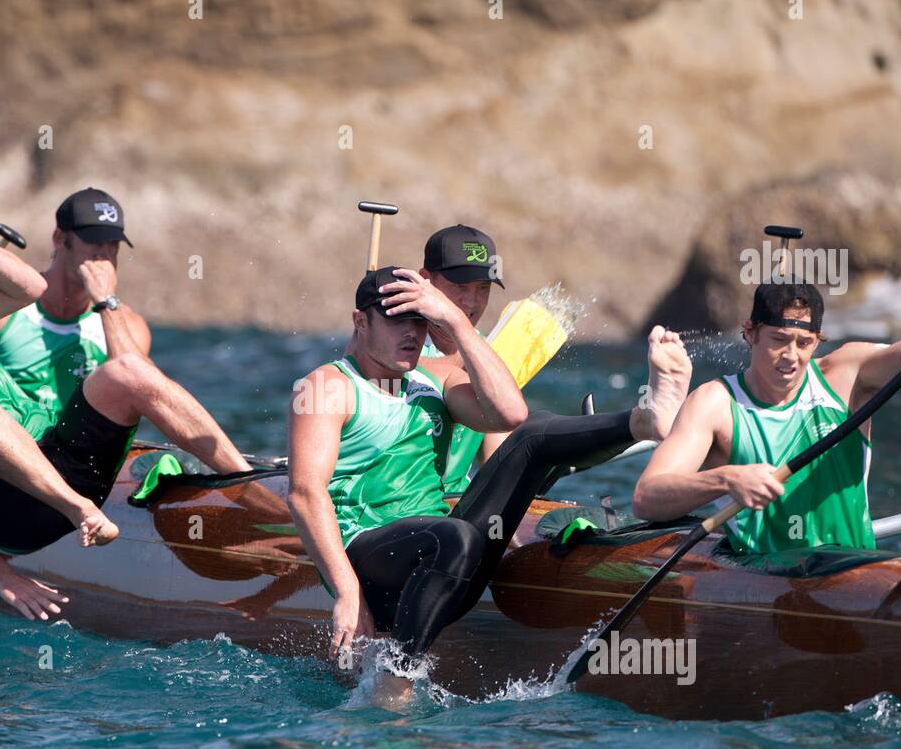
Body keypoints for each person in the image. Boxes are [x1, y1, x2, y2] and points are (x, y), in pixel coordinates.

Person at [286, 265, 690, 696]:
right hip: (371, 565)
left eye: (420, 322)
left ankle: (643, 420)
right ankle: (395, 680)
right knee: (452, 536)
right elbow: (305, 494)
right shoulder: (329, 386)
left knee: (532, 435)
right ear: (360, 321)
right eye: (396, 320)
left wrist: (455, 321)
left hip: (448, 566)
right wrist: (349, 594)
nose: (412, 334)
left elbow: (509, 414)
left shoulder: (433, 378)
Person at [0, 212, 252, 620]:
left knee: (125, 370)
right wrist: (2, 577)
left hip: (56, 451)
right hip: (16, 509)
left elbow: (30, 287)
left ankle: (248, 485)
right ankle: (81, 511)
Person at [632, 281, 901, 554]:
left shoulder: (847, 374)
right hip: (762, 577)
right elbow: (647, 497)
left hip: (850, 570)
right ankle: (661, 417)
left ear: (818, 341)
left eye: (804, 343)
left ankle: (660, 420)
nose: (791, 356)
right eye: (779, 340)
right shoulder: (715, 403)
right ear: (750, 333)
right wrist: (726, 480)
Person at [0, 188, 148, 409]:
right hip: (9, 435)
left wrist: (106, 303)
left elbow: (138, 388)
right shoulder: (5, 304)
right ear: (59, 239)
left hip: (76, 440)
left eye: (113, 244)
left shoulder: (130, 326)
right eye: (95, 241)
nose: (104, 254)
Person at [417, 224, 508, 494]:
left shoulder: (487, 356)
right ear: (426, 280)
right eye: (459, 286)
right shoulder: (397, 342)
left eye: (483, 288)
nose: (471, 301)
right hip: (393, 505)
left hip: (455, 503)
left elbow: (498, 458)